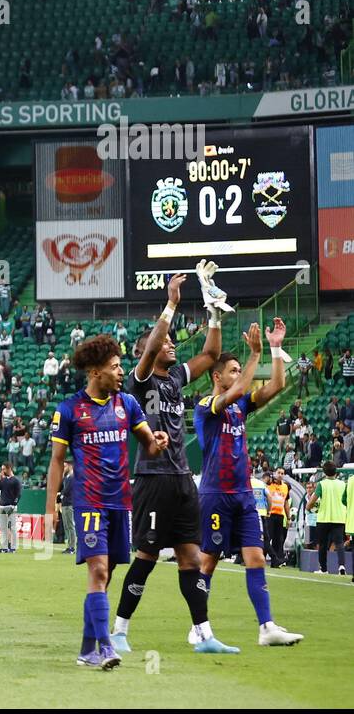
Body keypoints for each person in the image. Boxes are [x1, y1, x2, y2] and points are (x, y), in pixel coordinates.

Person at [111, 272, 229, 653]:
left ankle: (205, 636)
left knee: (190, 555)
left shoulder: (177, 376)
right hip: (152, 476)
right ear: (151, 349)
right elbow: (151, 348)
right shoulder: (139, 378)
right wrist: (173, 303)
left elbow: (211, 355)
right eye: (166, 343)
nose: (172, 345)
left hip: (181, 477)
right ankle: (119, 631)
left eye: (173, 342)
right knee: (146, 555)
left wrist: (213, 314)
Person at [44, 335, 170, 669]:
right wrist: (49, 508)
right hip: (89, 501)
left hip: (121, 502)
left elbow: (149, 445)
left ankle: (87, 649)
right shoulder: (69, 410)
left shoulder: (127, 403)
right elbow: (57, 461)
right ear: (96, 371)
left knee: (107, 573)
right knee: (98, 571)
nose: (120, 371)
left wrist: (159, 440)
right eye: (115, 367)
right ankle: (105, 648)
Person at [194, 320, 303, 647]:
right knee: (209, 561)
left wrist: (273, 348)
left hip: (242, 496)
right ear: (217, 376)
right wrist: (255, 354)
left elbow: (277, 384)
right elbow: (239, 389)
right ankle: (199, 625)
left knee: (256, 558)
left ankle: (266, 627)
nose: (239, 374)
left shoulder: (240, 406)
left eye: (239, 369)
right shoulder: (205, 408)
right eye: (233, 369)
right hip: (215, 494)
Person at [307, 461, 348, 575]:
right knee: (339, 543)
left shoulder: (322, 484)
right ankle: (341, 566)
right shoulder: (342, 484)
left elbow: (312, 500)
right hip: (339, 518)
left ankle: (324, 569)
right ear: (336, 471)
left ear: (324, 472)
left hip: (323, 518)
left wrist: (309, 507)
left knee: (323, 545)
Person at [265, 469, 289, 568]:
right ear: (275, 473)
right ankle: (261, 557)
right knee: (267, 537)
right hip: (270, 514)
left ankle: (276, 561)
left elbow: (286, 503)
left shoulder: (285, 487)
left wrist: (288, 518)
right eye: (278, 473)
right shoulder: (269, 485)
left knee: (278, 540)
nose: (280, 475)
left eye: (282, 473)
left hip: (279, 515)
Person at [0, 463, 21, 553]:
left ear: (9, 468)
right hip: (1, 506)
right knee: (3, 528)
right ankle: (4, 547)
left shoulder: (16, 480)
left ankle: (13, 547)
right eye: (2, 469)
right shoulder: (3, 480)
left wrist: (14, 504)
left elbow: (19, 494)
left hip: (10, 506)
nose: (2, 471)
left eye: (4, 469)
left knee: (12, 527)